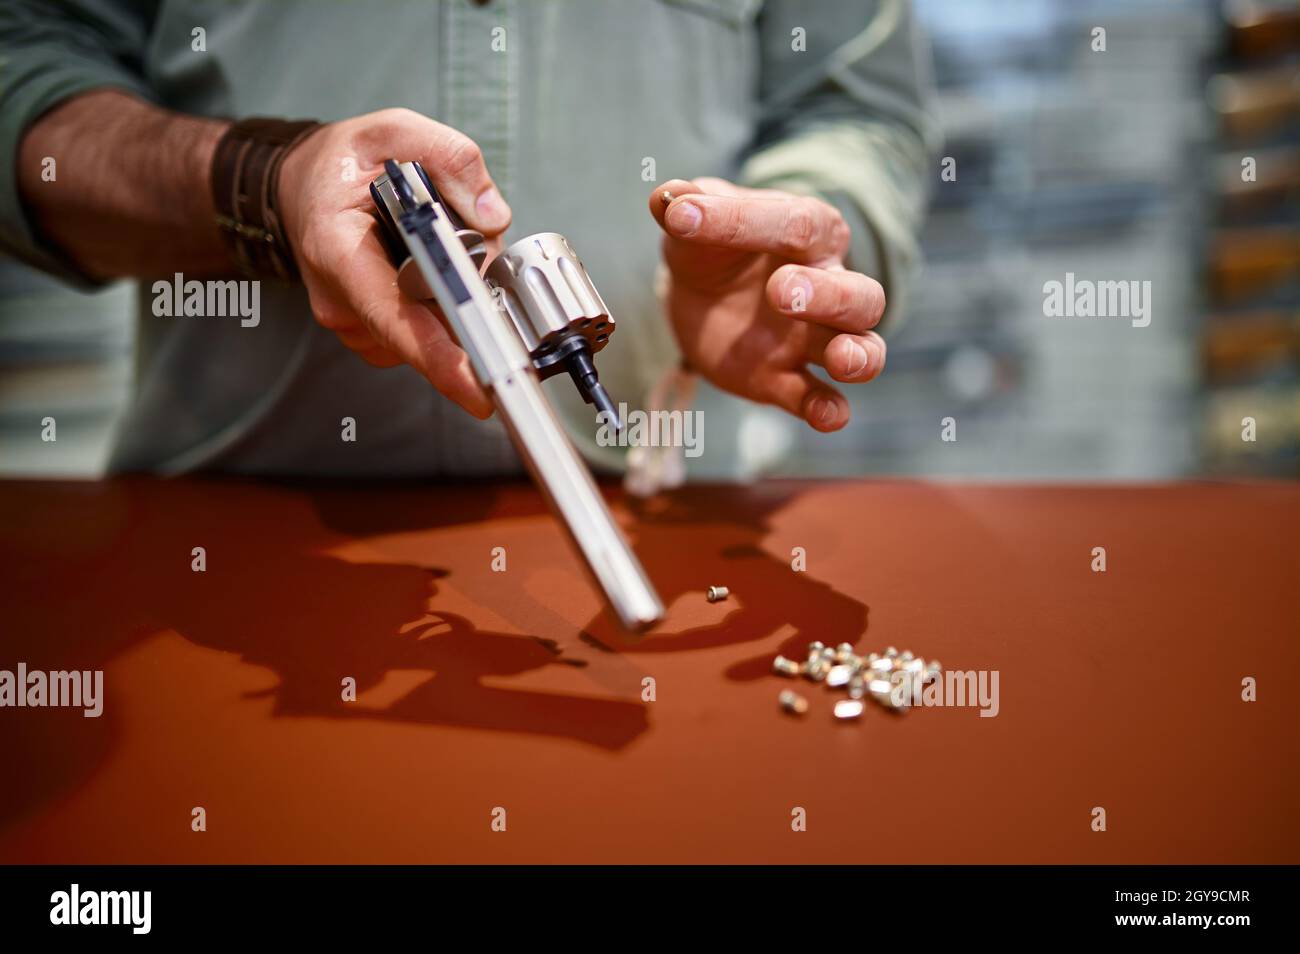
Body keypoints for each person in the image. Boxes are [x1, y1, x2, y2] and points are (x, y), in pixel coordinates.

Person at [0, 0, 936, 477]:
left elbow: (859, 112)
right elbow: (24, 82)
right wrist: (260, 184)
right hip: (228, 548)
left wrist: (788, 232)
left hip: (684, 519)